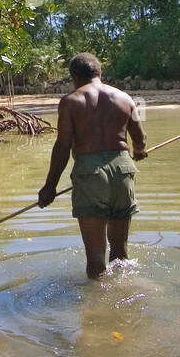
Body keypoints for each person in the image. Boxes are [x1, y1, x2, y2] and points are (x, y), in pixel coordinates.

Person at [38, 53, 147, 279]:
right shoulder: (125, 98)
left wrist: (50, 187)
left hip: (90, 172)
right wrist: (138, 152)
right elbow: (140, 139)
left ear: (74, 77)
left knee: (96, 259)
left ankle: (97, 307)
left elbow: (63, 146)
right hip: (123, 169)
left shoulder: (70, 102)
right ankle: (125, 293)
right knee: (120, 253)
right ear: (100, 73)